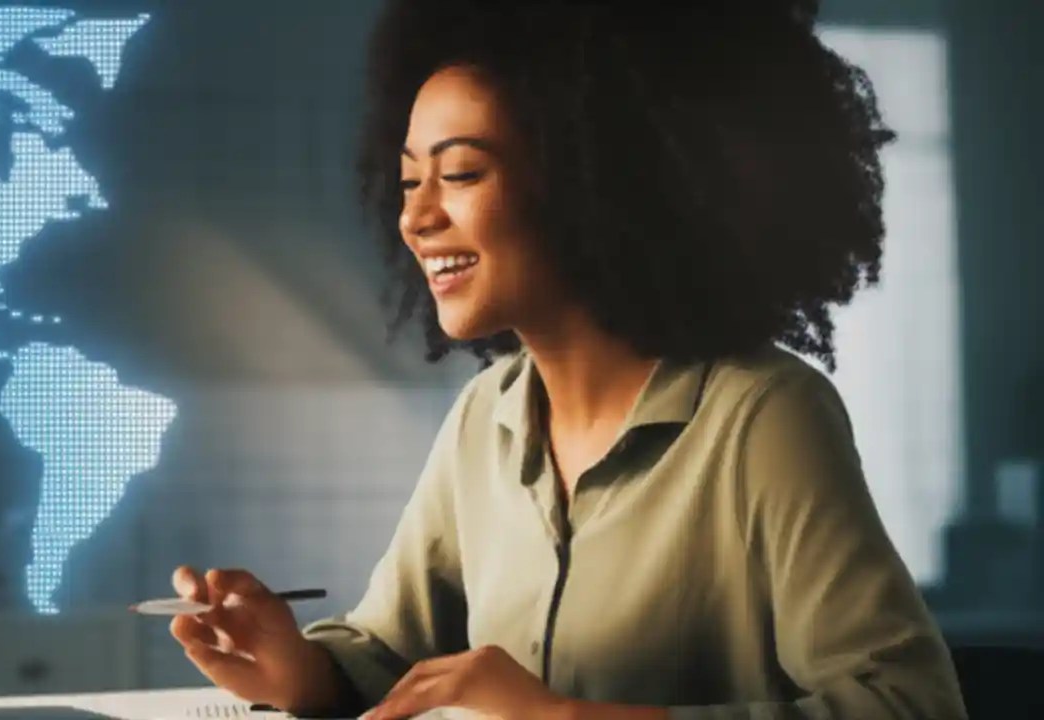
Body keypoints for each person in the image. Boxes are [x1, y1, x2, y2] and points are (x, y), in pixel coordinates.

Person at [168, 1, 968, 718]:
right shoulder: (488, 416)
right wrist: (298, 669)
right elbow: (388, 653)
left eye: (460, 174)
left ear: (596, 180)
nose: (414, 217)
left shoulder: (760, 417)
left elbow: (909, 704)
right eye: (409, 180)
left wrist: (561, 719)